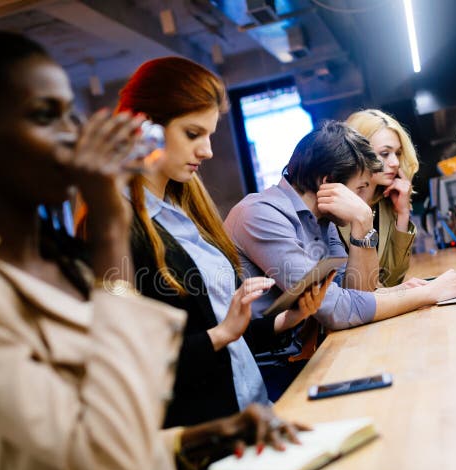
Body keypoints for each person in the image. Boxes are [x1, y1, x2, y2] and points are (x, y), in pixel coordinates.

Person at [0, 27, 302, 470]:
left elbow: (137, 408)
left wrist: (213, 434)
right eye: (44, 115)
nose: (72, 134)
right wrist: (111, 227)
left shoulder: (65, 261)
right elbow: (100, 449)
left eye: (70, 113)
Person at [114, 56, 332, 425]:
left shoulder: (182, 210)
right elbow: (139, 363)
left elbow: (227, 330)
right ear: (146, 128)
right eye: (193, 134)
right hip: (205, 432)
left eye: (210, 135)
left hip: (252, 410)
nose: (208, 150)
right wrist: (222, 333)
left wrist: (291, 317)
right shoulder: (120, 228)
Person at [225, 121, 456, 333]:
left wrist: (364, 230)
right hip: (276, 369)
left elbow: (357, 293)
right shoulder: (259, 215)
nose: (363, 199)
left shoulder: (324, 217)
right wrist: (430, 293)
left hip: (309, 352)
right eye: (359, 189)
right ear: (329, 182)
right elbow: (336, 312)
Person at [343, 109, 424, 288]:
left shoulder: (384, 203)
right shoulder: (335, 208)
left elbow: (392, 279)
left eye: (398, 153)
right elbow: (350, 291)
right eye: (385, 154)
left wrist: (402, 213)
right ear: (356, 153)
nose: (395, 162)